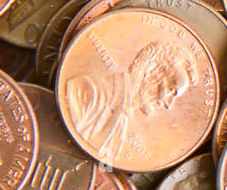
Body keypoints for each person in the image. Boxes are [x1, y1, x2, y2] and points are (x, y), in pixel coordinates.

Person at [63, 41, 200, 162]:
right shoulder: (88, 90)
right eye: (171, 90)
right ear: (154, 72)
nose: (168, 104)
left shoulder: (123, 121)